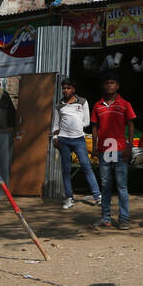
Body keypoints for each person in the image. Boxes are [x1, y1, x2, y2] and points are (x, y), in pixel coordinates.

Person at [91, 73, 137, 230]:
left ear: (118, 86)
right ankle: (105, 218)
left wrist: (129, 147)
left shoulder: (124, 104)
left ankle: (124, 218)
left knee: (121, 186)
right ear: (103, 86)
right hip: (104, 149)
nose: (110, 85)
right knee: (105, 185)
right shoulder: (98, 105)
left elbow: (130, 125)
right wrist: (94, 146)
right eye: (107, 83)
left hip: (120, 149)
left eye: (113, 82)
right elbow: (95, 126)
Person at [51, 77, 101, 210]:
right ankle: (69, 198)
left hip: (79, 139)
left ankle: (97, 196)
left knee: (87, 167)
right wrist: (54, 137)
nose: (66, 90)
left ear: (74, 89)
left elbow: (87, 122)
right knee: (66, 170)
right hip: (63, 141)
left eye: (68, 88)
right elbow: (55, 124)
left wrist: (75, 127)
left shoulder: (82, 102)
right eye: (64, 88)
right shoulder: (59, 105)